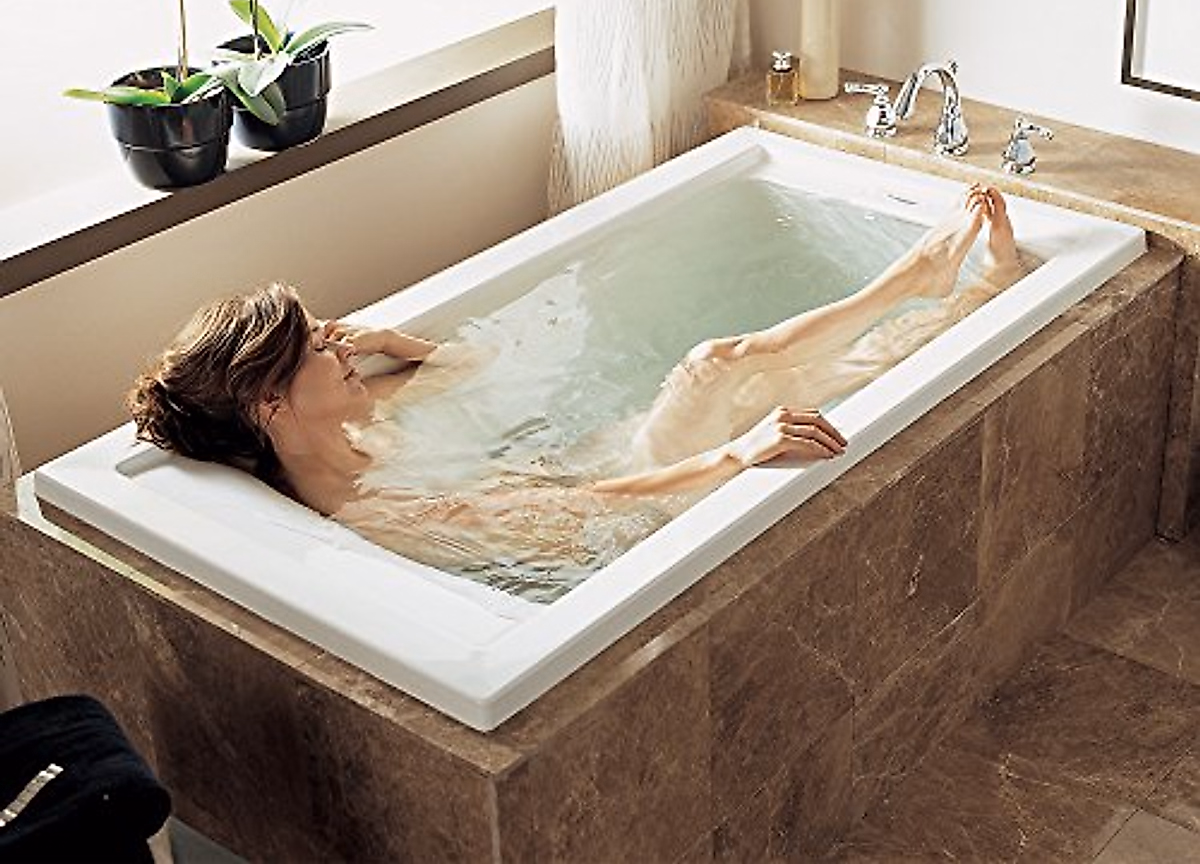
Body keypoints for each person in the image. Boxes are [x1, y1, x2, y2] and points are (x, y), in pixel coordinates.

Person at [127, 184, 1023, 584]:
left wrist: (400, 342)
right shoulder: (373, 514)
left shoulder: (353, 431)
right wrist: (734, 456)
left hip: (597, 468)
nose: (342, 346)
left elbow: (480, 371)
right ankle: (920, 281)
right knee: (725, 370)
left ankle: (969, 291)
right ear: (271, 406)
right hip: (629, 518)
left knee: (791, 373)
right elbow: (584, 510)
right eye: (320, 347)